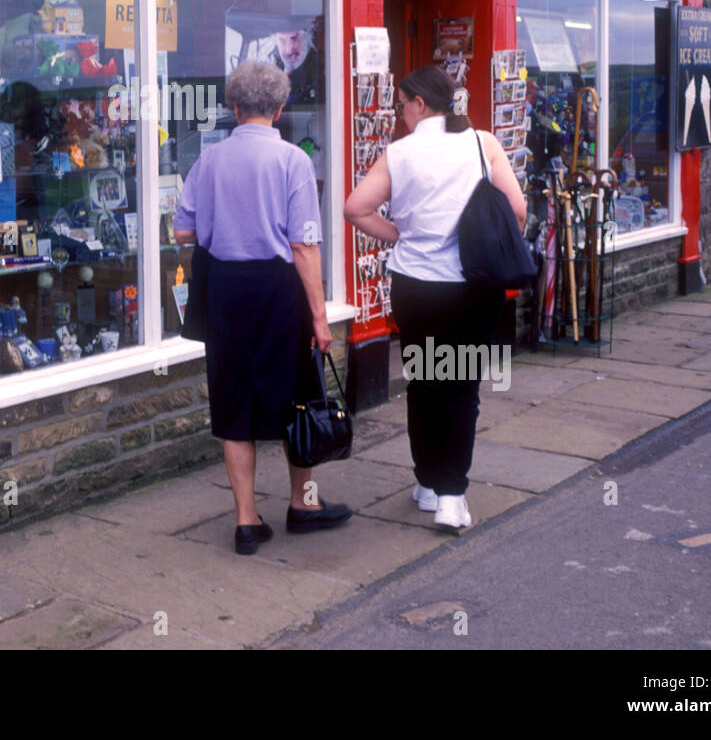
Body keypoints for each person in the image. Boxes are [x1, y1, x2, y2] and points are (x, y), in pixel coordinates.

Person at [174, 60, 352, 555]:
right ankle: (302, 505)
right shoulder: (293, 160)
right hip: (279, 291)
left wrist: (220, 220)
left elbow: (183, 231)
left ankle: (247, 521)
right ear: (279, 108)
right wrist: (320, 317)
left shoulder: (207, 161)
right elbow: (304, 246)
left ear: (234, 107)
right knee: (299, 395)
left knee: (233, 400)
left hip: (225, 290)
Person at [343, 65, 526, 533]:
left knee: (423, 383)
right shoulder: (482, 142)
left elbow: (355, 208)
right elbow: (518, 208)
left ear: (420, 104)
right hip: (471, 285)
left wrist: (399, 235)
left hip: (416, 287)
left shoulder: (399, 153)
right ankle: (451, 495)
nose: (399, 114)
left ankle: (427, 484)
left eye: (402, 105)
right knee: (460, 387)